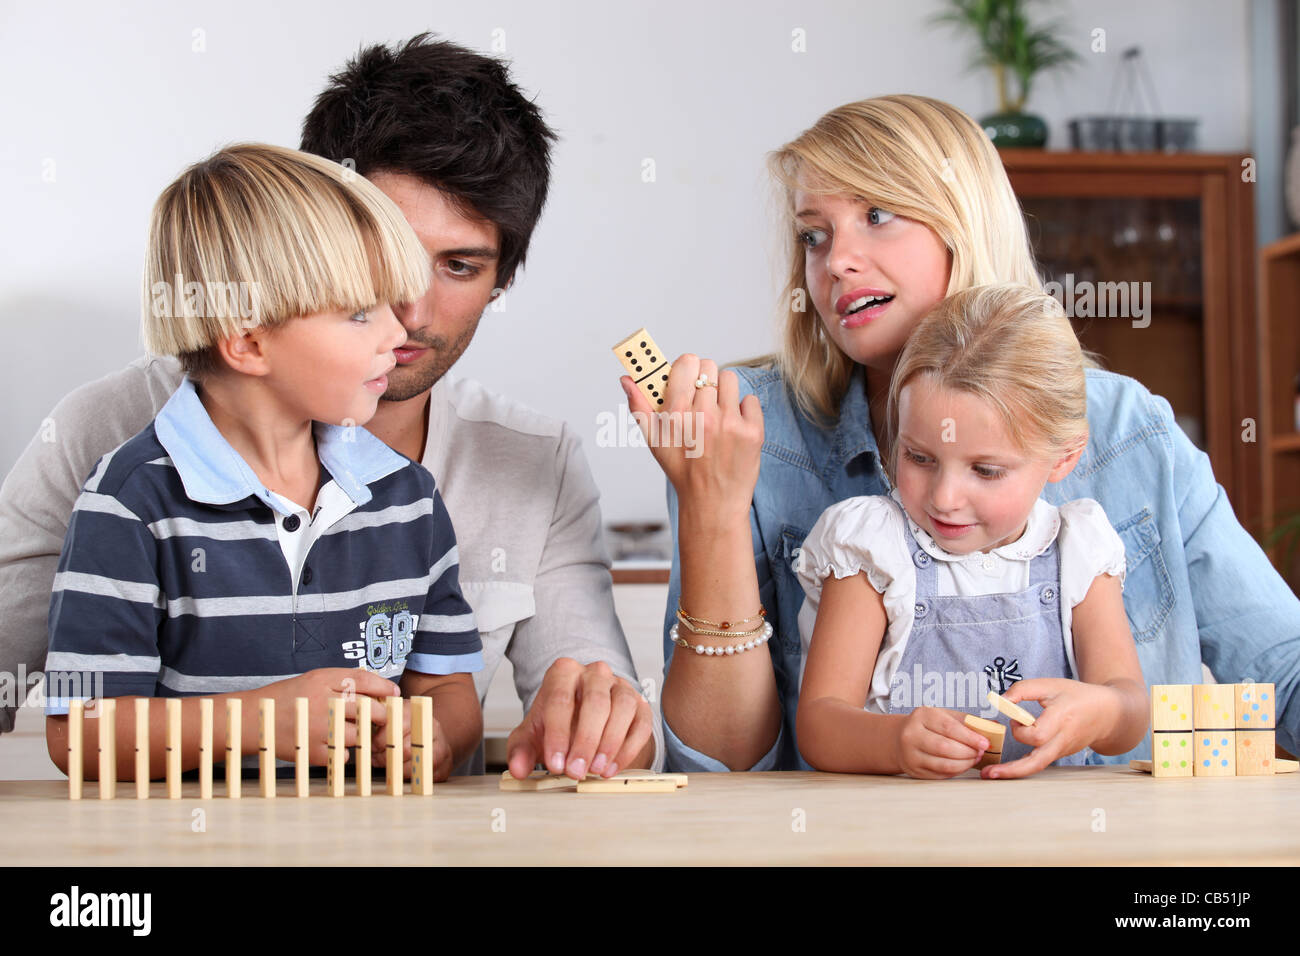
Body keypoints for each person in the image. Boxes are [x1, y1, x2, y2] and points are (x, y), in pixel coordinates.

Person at [1, 34, 660, 780]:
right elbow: (76, 725)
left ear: (500, 280)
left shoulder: (455, 487)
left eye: (460, 266)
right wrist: (256, 723)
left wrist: (575, 728)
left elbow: (520, 709)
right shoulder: (108, 459)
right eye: (377, 274)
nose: (407, 314)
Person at [621, 94, 1300, 772]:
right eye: (813, 235)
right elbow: (723, 770)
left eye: (877, 215)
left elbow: (1282, 671)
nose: (836, 262)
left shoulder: (1129, 429)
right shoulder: (744, 436)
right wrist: (713, 510)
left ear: (965, 224)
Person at [46, 143, 484, 779]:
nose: (398, 334)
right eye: (361, 313)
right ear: (248, 341)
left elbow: (447, 693)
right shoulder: (130, 504)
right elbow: (82, 737)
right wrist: (255, 722)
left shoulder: (408, 498)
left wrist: (431, 742)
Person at [795, 284, 1147, 779]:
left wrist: (1103, 711)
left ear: (1064, 456)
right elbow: (819, 723)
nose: (944, 497)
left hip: (1052, 835)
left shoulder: (1078, 549)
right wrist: (894, 742)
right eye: (920, 457)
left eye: (985, 470)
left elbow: (1130, 708)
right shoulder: (872, 546)